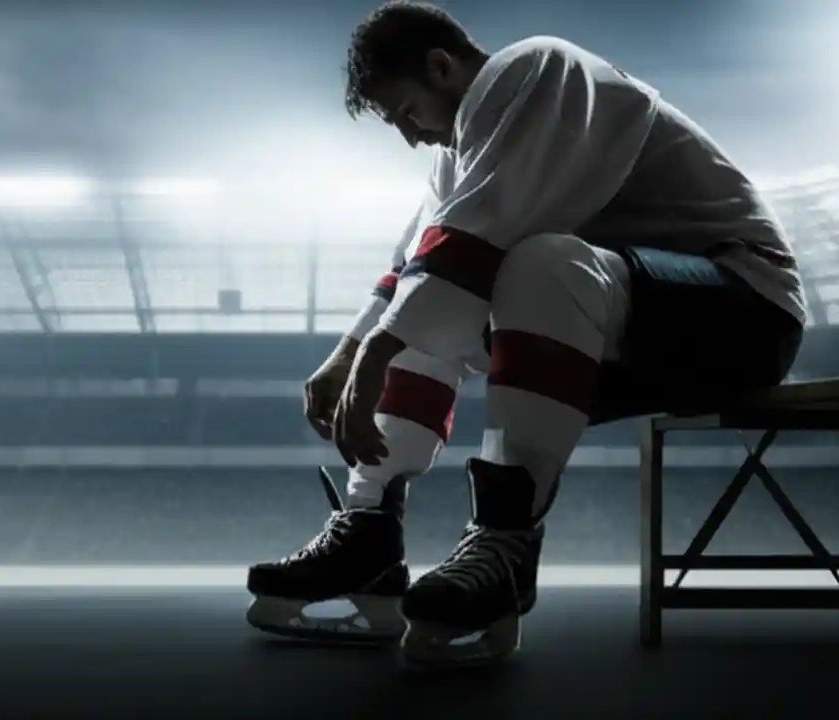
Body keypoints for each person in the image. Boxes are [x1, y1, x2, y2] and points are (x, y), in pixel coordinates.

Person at [246, 0, 806, 668]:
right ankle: (370, 529)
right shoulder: (459, 156)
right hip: (630, 324)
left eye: (407, 113)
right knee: (436, 302)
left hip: (744, 308)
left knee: (534, 262)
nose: (413, 137)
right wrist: (348, 355)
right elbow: (416, 268)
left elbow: (475, 245)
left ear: (441, 65)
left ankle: (505, 542)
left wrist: (373, 359)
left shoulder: (541, 67)